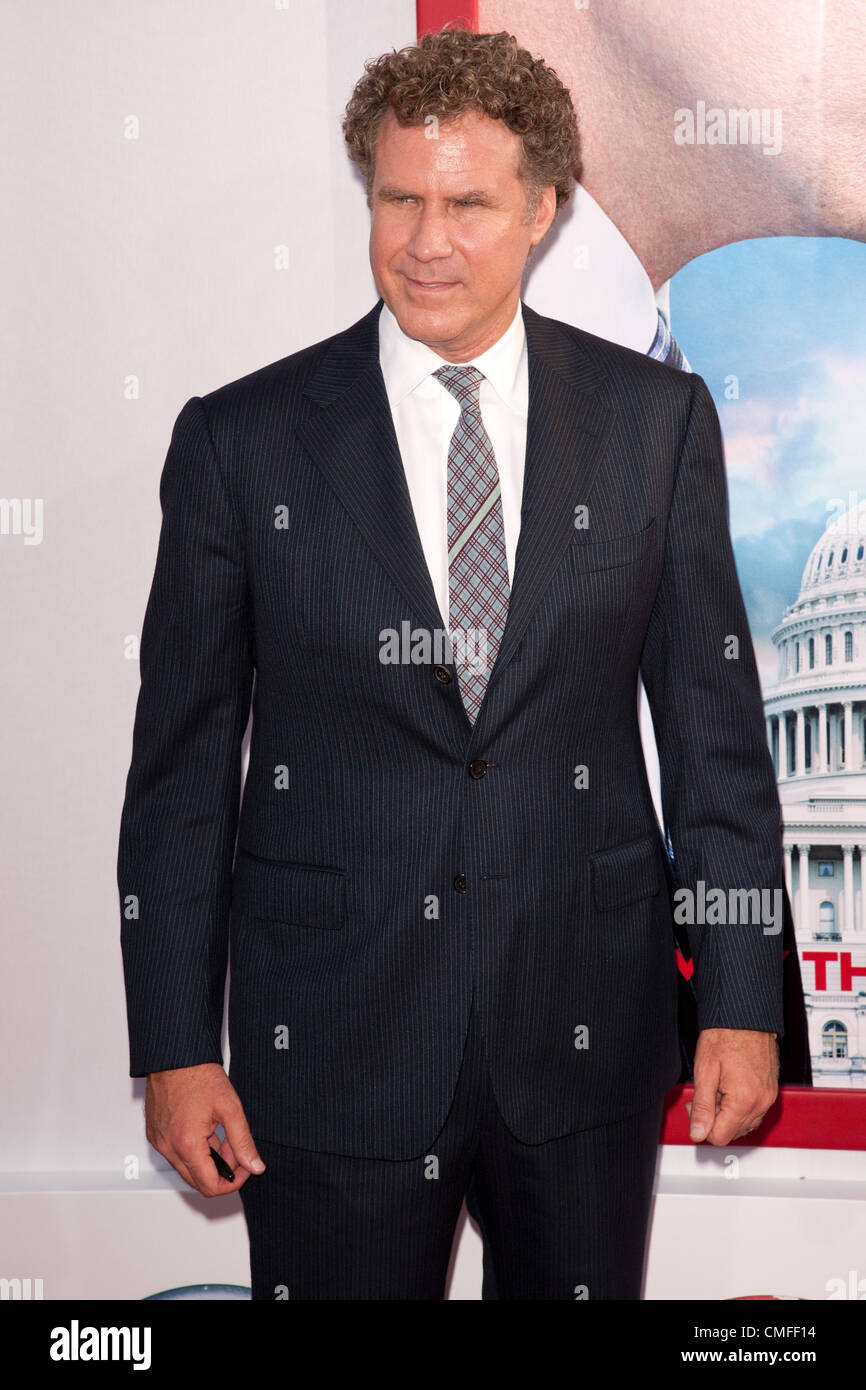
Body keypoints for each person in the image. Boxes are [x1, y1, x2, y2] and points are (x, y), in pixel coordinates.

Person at [118, 29, 783, 1301]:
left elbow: (712, 736)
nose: (426, 241)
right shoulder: (239, 441)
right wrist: (171, 1044)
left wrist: (741, 1003)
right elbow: (181, 775)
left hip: (581, 1027)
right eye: (398, 198)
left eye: (468, 203)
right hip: (330, 1035)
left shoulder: (653, 426)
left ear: (541, 209)